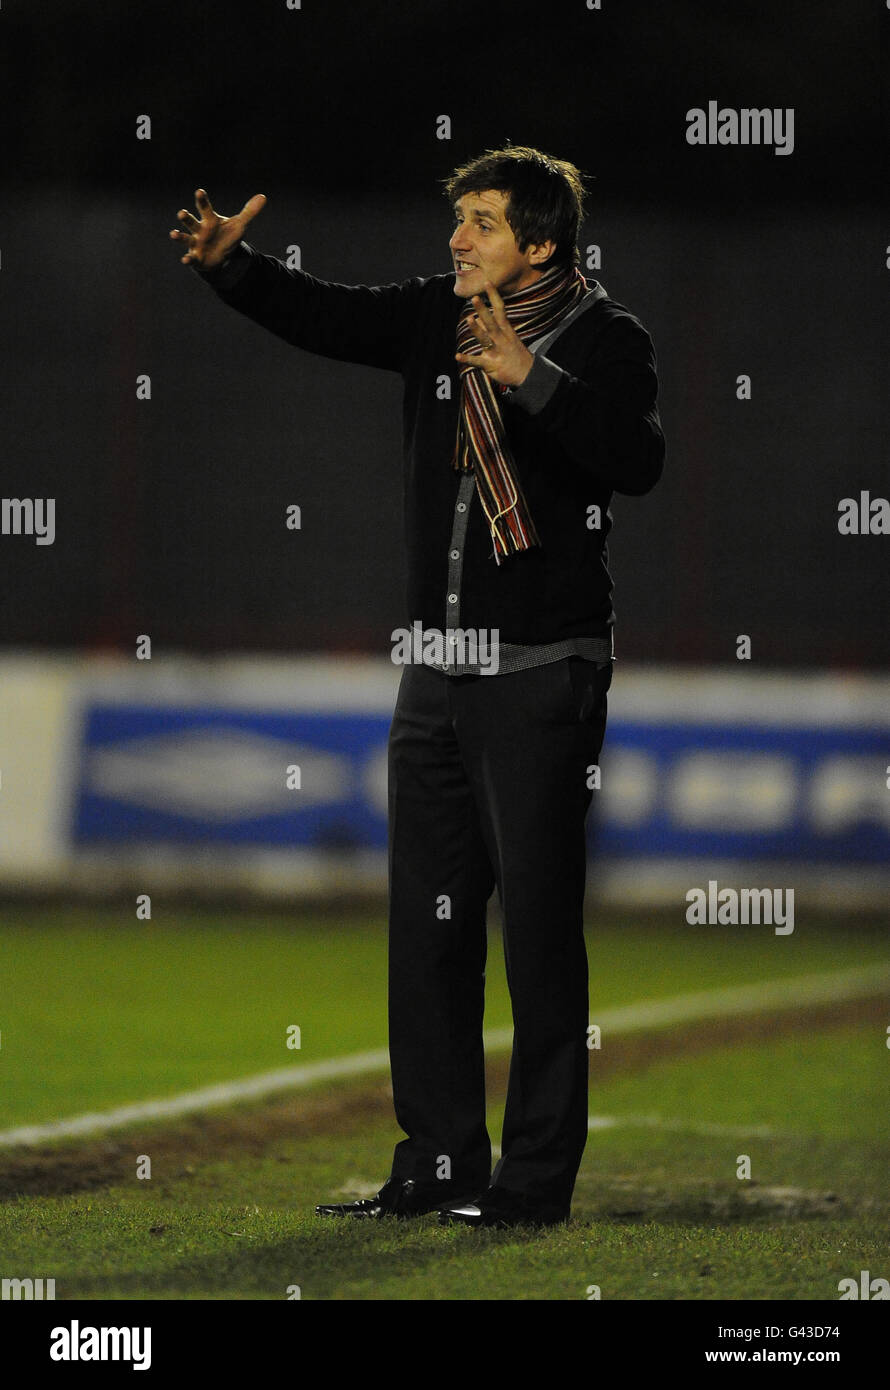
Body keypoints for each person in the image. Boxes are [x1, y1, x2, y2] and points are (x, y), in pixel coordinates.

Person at [171, 145, 665, 1228]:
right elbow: (323, 314)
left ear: (539, 243)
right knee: (427, 933)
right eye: (458, 220)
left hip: (538, 678)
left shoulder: (603, 338)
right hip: (433, 681)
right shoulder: (432, 320)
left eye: (481, 223)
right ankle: (437, 1164)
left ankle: (533, 1184)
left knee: (535, 934)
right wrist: (233, 269)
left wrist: (525, 379)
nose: (456, 239)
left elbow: (635, 457)